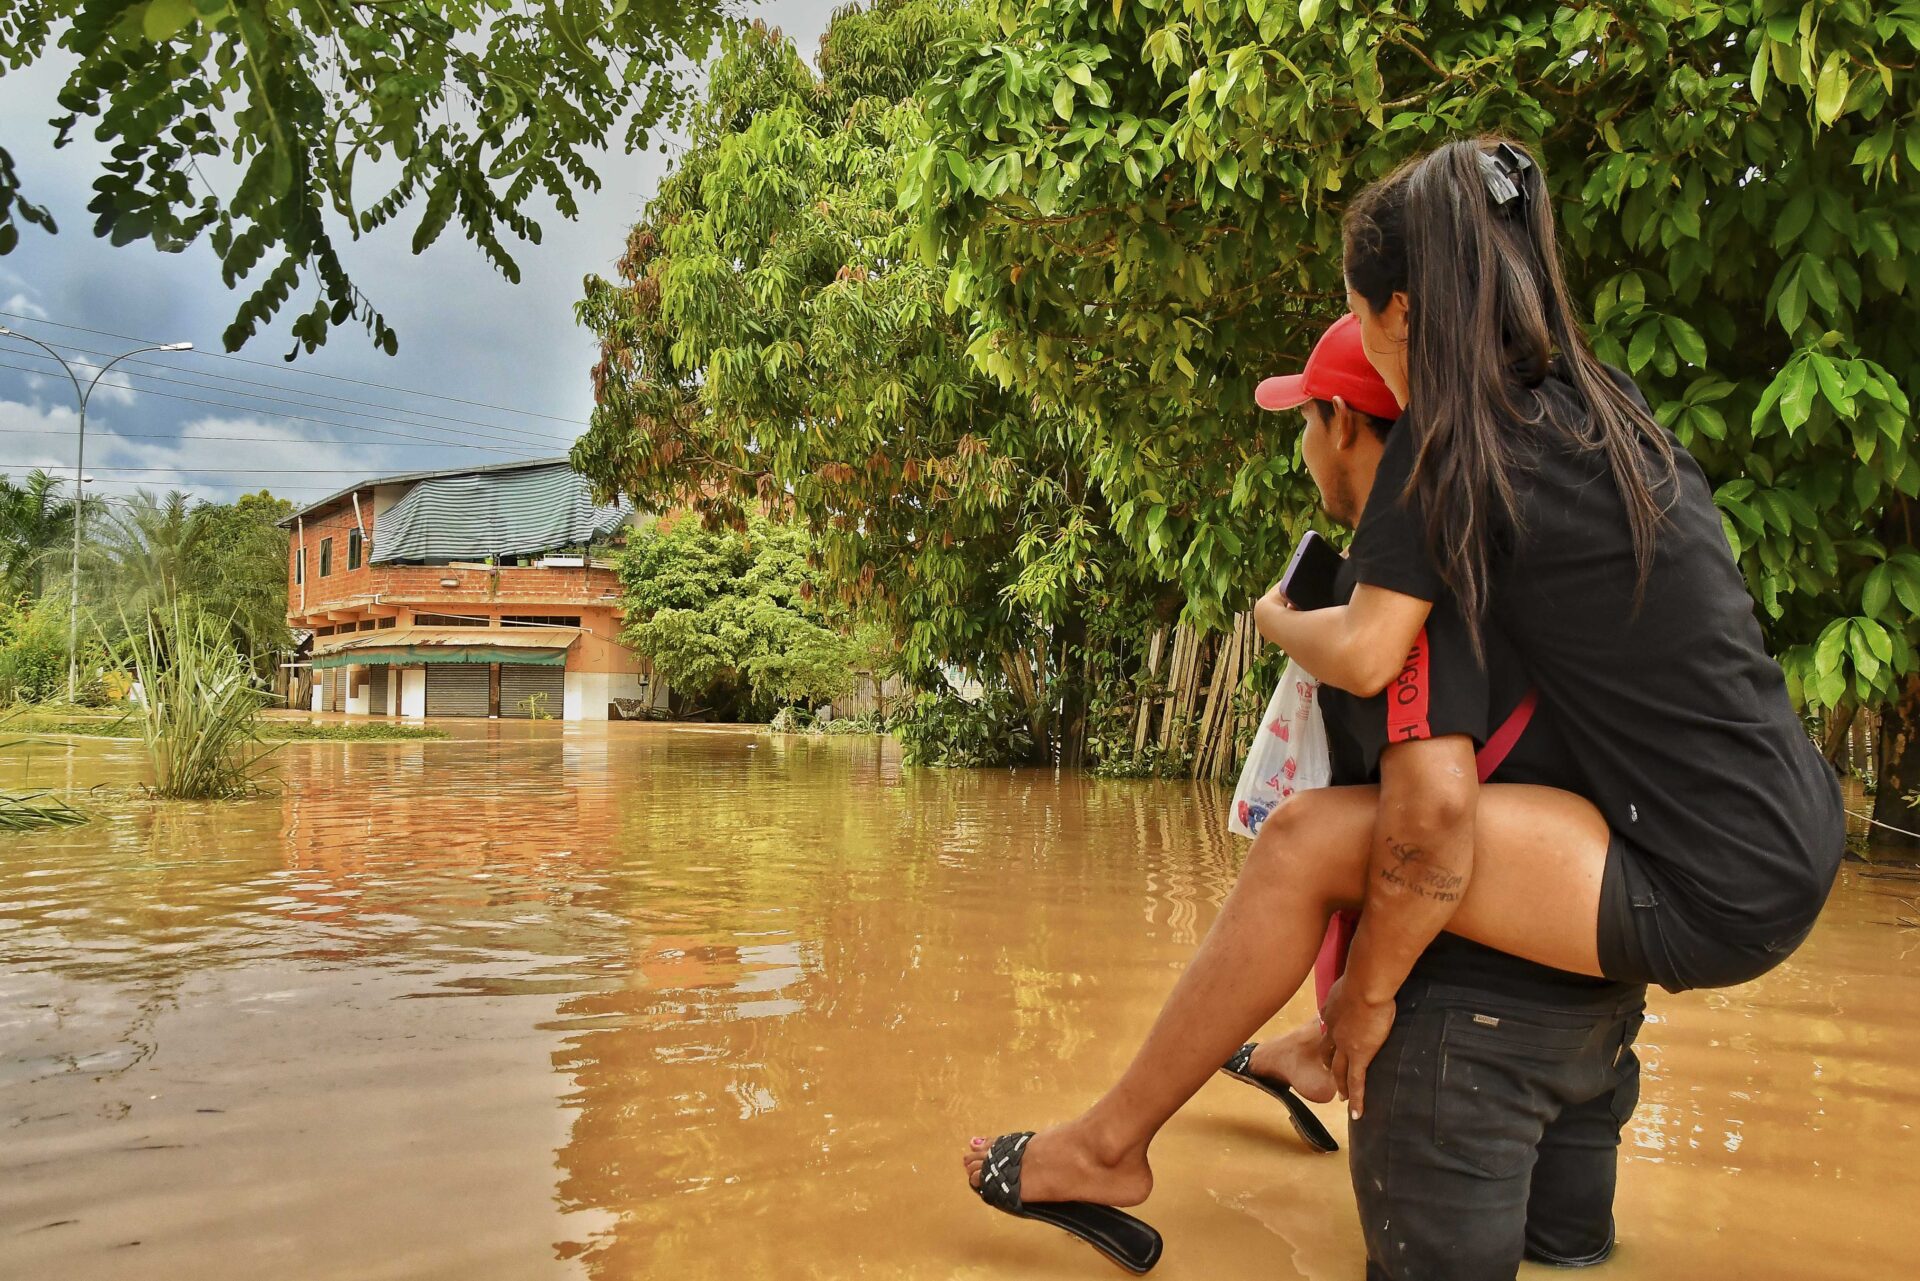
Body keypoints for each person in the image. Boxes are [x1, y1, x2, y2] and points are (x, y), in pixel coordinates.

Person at [964, 136, 1844, 1271]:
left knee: (1304, 843)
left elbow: (1385, 682)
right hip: (1791, 827)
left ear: (1397, 311)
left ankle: (1112, 1143)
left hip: (1704, 878)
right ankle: (1251, 1069)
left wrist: (1367, 998)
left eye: (1361, 313)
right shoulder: (1599, 406)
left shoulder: (1444, 452)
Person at [1220, 325, 1645, 1278]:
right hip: (1600, 1006)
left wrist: (1361, 1002)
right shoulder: (1525, 547)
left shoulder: (1403, 572)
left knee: (1321, 841)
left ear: (1340, 424)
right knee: (1576, 1262)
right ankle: (1295, 1046)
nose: (1304, 448)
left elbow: (1429, 817)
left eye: (1306, 421)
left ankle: (1130, 1129)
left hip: (1469, 1033)